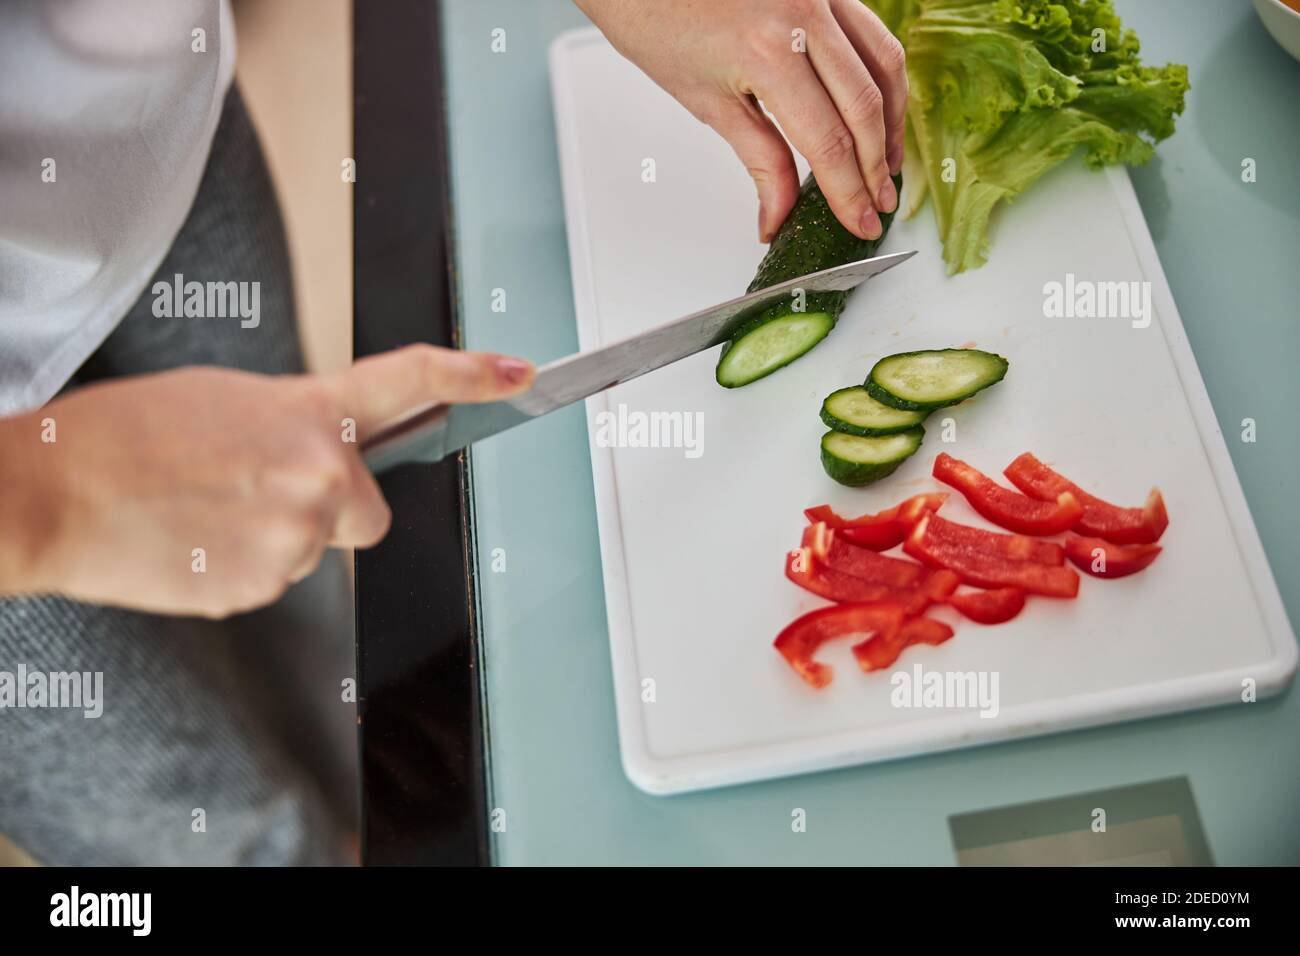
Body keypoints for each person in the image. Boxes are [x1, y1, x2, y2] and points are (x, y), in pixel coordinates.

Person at [0, 0, 906, 864]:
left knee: (292, 575)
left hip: (143, 124)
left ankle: (343, 781)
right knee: (205, 826)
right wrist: (55, 499)